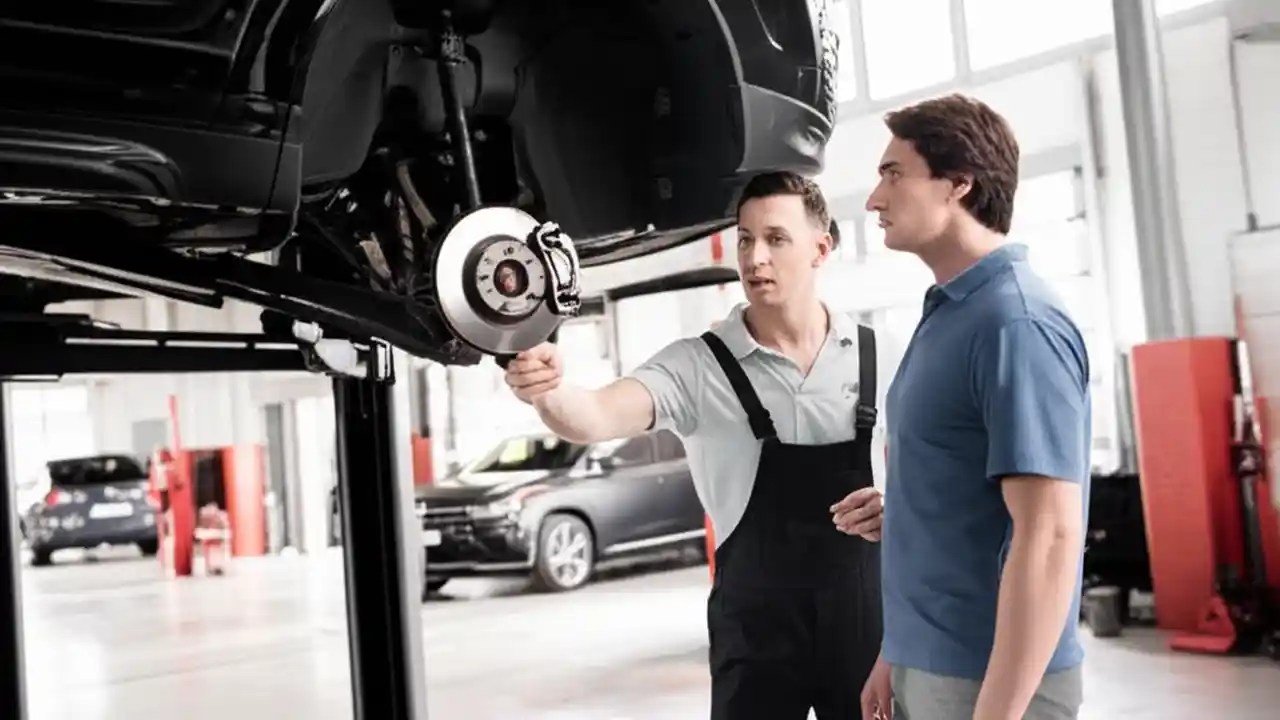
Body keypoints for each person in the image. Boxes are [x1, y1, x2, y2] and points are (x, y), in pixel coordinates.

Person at [505, 171, 893, 719]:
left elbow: (934, 484)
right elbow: (594, 415)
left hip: (866, 629)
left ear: (820, 248)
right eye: (745, 239)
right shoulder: (697, 365)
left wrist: (896, 508)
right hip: (755, 636)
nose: (755, 257)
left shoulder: (879, 356)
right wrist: (548, 391)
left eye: (776, 239)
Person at [859, 93, 1091, 720]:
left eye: (893, 174)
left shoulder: (1015, 322)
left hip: (990, 683)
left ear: (958, 183)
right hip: (932, 664)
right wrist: (896, 650)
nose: (874, 199)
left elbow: (1050, 535)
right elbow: (961, 498)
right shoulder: (951, 314)